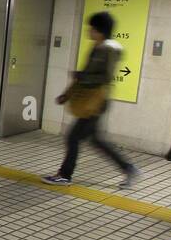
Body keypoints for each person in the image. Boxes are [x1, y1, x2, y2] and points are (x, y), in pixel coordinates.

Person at [42, 11, 139, 188]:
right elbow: (84, 75)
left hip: (96, 102)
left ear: (99, 30)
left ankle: (65, 175)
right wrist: (68, 93)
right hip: (91, 100)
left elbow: (106, 77)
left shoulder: (109, 49)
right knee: (96, 140)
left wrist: (82, 78)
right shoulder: (97, 47)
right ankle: (129, 168)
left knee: (73, 137)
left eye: (91, 28)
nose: (89, 31)